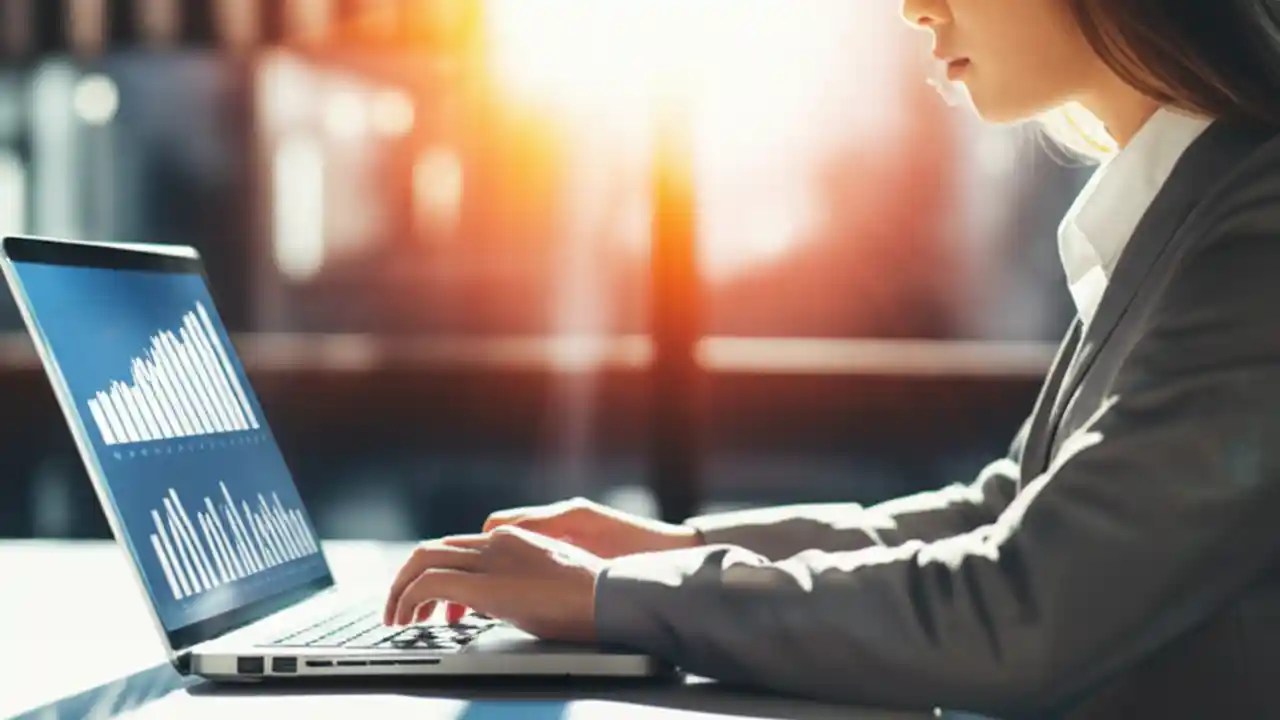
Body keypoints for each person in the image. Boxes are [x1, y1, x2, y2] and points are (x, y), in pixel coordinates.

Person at [383, 1, 1280, 717]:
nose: (915, 8)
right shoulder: (1192, 205)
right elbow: (1002, 512)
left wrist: (612, 598)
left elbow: (1022, 606)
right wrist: (678, 548)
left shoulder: (1256, 225)